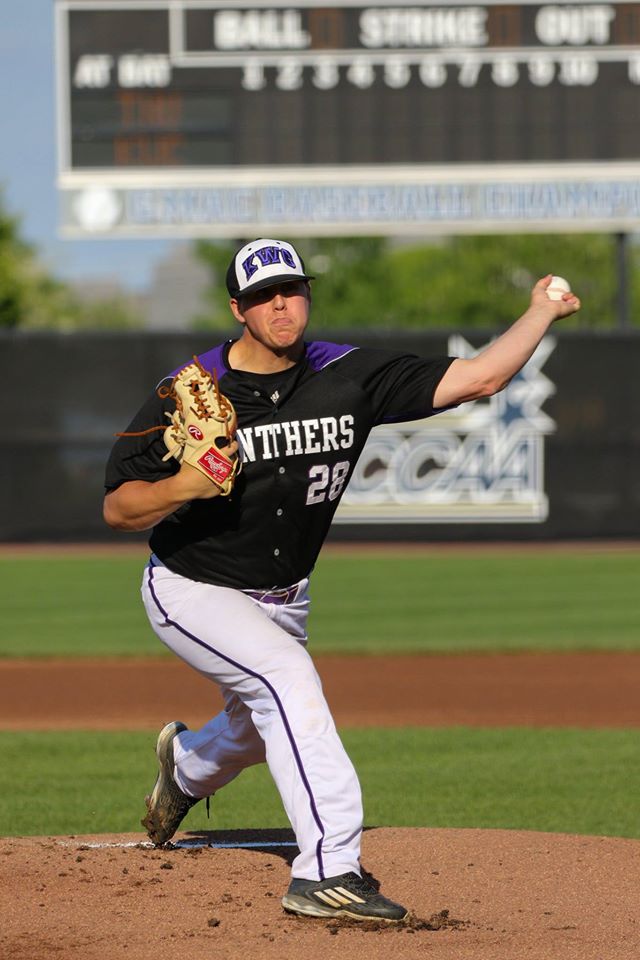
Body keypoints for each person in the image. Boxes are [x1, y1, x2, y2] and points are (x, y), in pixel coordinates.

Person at [103, 238, 580, 922]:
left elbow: (478, 378)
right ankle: (327, 871)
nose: (281, 304)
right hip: (192, 587)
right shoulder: (194, 391)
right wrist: (185, 481)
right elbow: (117, 507)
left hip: (285, 595)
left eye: (292, 289)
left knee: (255, 727)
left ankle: (184, 767)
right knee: (288, 682)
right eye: (264, 295)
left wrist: (540, 311)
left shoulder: (349, 374)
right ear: (238, 308)